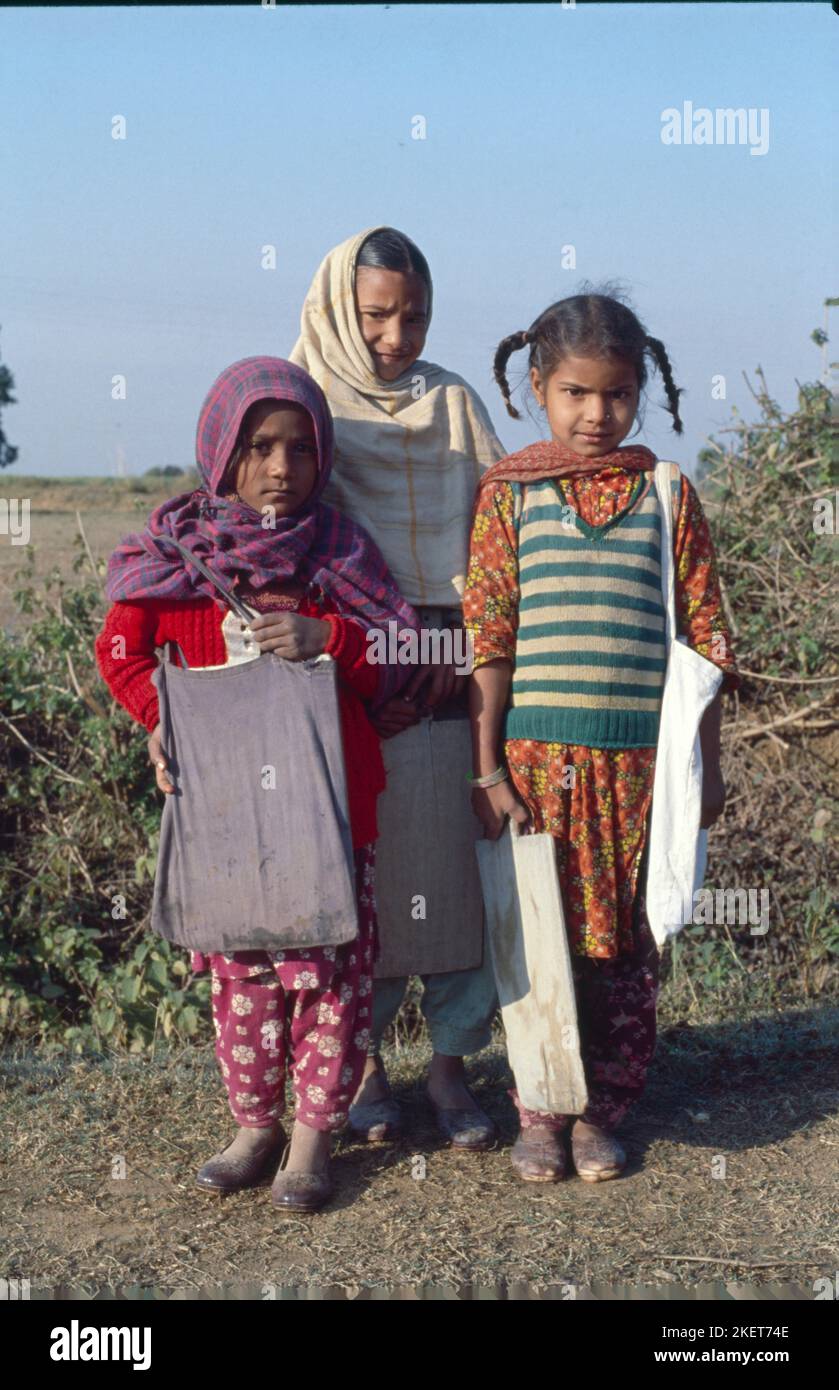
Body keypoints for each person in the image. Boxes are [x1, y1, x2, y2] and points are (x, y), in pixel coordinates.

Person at [95, 357, 417, 1212]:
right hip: (226, 814)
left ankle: (311, 1140)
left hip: (328, 810)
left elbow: (401, 655)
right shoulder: (173, 557)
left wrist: (331, 637)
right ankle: (254, 1127)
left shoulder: (338, 554)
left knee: (331, 973)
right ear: (221, 452)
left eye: (301, 448)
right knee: (240, 974)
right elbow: (119, 652)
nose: (282, 468)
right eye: (260, 447)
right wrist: (158, 723)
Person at [464, 290, 740, 1182]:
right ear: (538, 388)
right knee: (540, 941)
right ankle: (541, 1111)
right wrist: (487, 768)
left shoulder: (666, 495)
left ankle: (604, 1113)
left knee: (626, 946)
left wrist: (706, 767)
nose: (596, 414)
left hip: (641, 769)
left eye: (615, 395)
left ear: (639, 394)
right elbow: (489, 640)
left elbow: (703, 644)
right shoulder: (511, 499)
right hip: (537, 769)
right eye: (576, 393)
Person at [290, 227, 507, 1148]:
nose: (395, 335)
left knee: (458, 871)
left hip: (453, 664)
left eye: (413, 315)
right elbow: (278, 534)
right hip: (347, 670)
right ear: (340, 306)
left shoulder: (453, 401)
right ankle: (367, 1067)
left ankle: (451, 1073)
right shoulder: (301, 403)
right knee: (364, 882)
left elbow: (497, 521)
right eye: (375, 314)